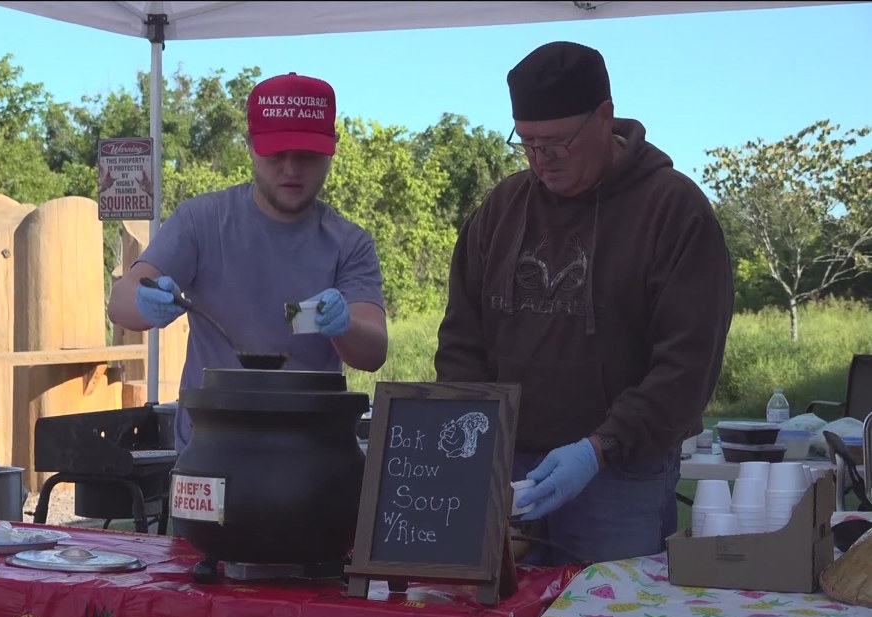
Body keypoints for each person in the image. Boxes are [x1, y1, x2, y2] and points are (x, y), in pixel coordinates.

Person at [434, 41, 734, 564]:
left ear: (605, 117)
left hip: (620, 473)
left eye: (555, 143)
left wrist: (600, 448)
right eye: (526, 143)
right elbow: (463, 335)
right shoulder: (503, 208)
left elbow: (687, 367)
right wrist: (470, 441)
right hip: (505, 468)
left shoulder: (673, 210)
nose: (540, 160)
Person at [107, 72, 388, 451]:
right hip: (209, 448)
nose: (291, 169)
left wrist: (345, 325)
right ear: (250, 145)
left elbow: (373, 352)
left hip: (311, 451)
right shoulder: (202, 222)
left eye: (306, 155)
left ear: (332, 149)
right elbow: (120, 303)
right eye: (276, 153)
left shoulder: (348, 243)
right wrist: (144, 300)